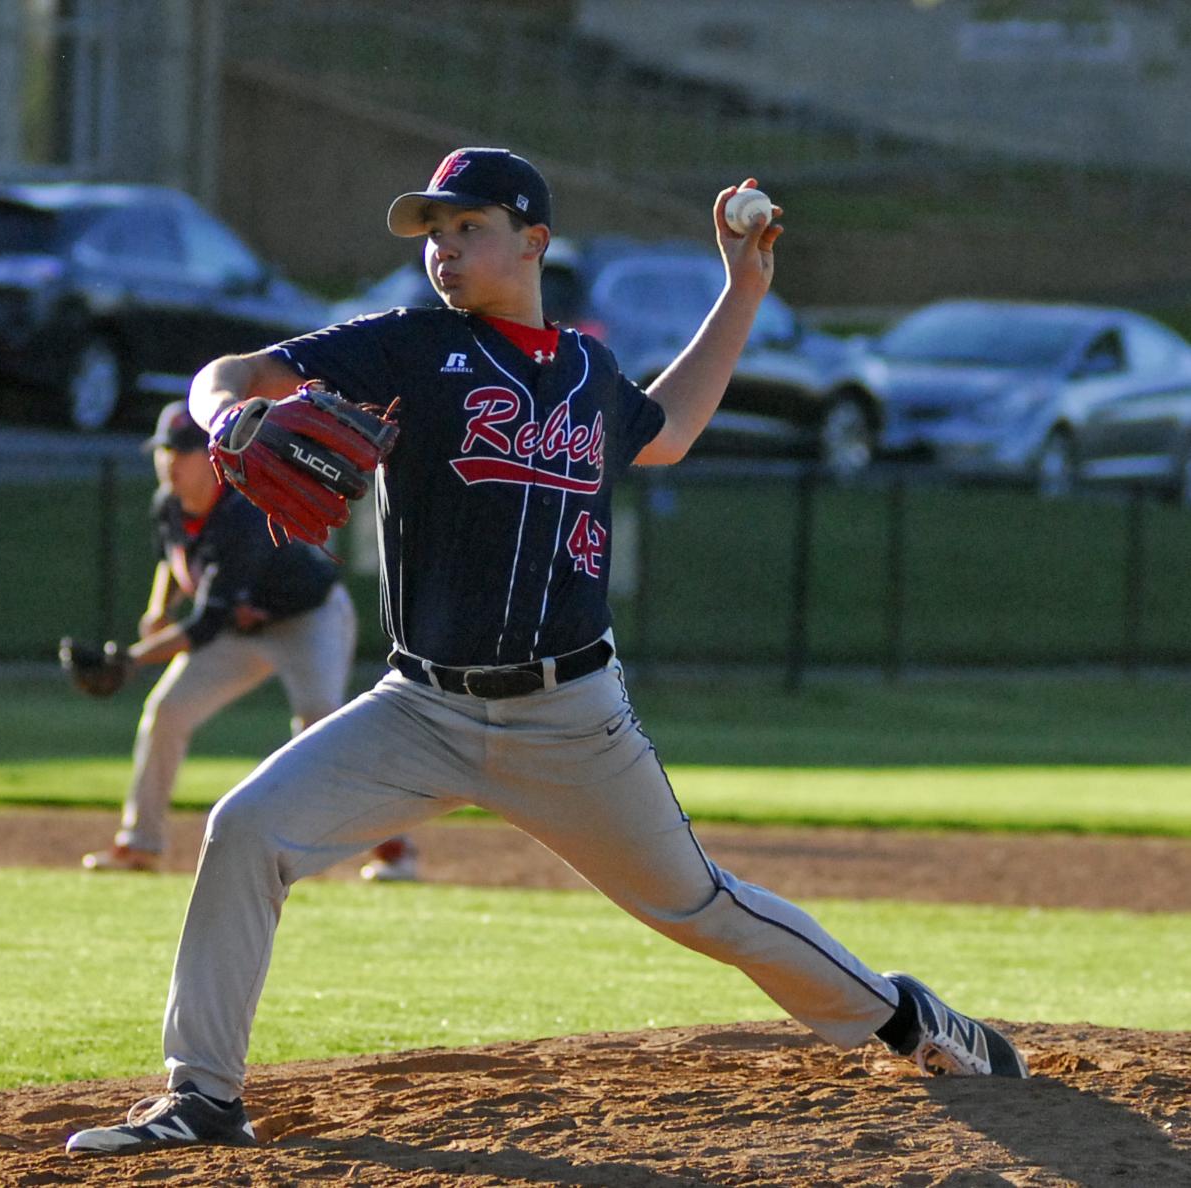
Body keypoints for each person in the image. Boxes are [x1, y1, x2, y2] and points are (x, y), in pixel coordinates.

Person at [65, 147, 1027, 1155]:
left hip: (570, 717)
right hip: (421, 708)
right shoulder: (407, 347)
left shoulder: (587, 372)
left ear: (533, 239)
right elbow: (226, 375)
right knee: (245, 828)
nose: (442, 248)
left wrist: (744, 287)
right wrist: (233, 418)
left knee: (699, 907)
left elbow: (669, 430)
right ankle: (204, 1097)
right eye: (432, 232)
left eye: (466, 226)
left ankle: (908, 1020)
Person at [80, 399, 416, 882]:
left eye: (181, 451)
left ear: (211, 456)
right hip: (241, 629)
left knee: (322, 726)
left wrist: (131, 661)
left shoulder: (243, 512)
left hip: (307, 619)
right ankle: (140, 844)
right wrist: (159, 609)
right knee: (167, 713)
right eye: (163, 451)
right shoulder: (168, 504)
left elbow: (204, 627)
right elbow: (174, 557)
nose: (168, 462)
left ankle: (394, 849)